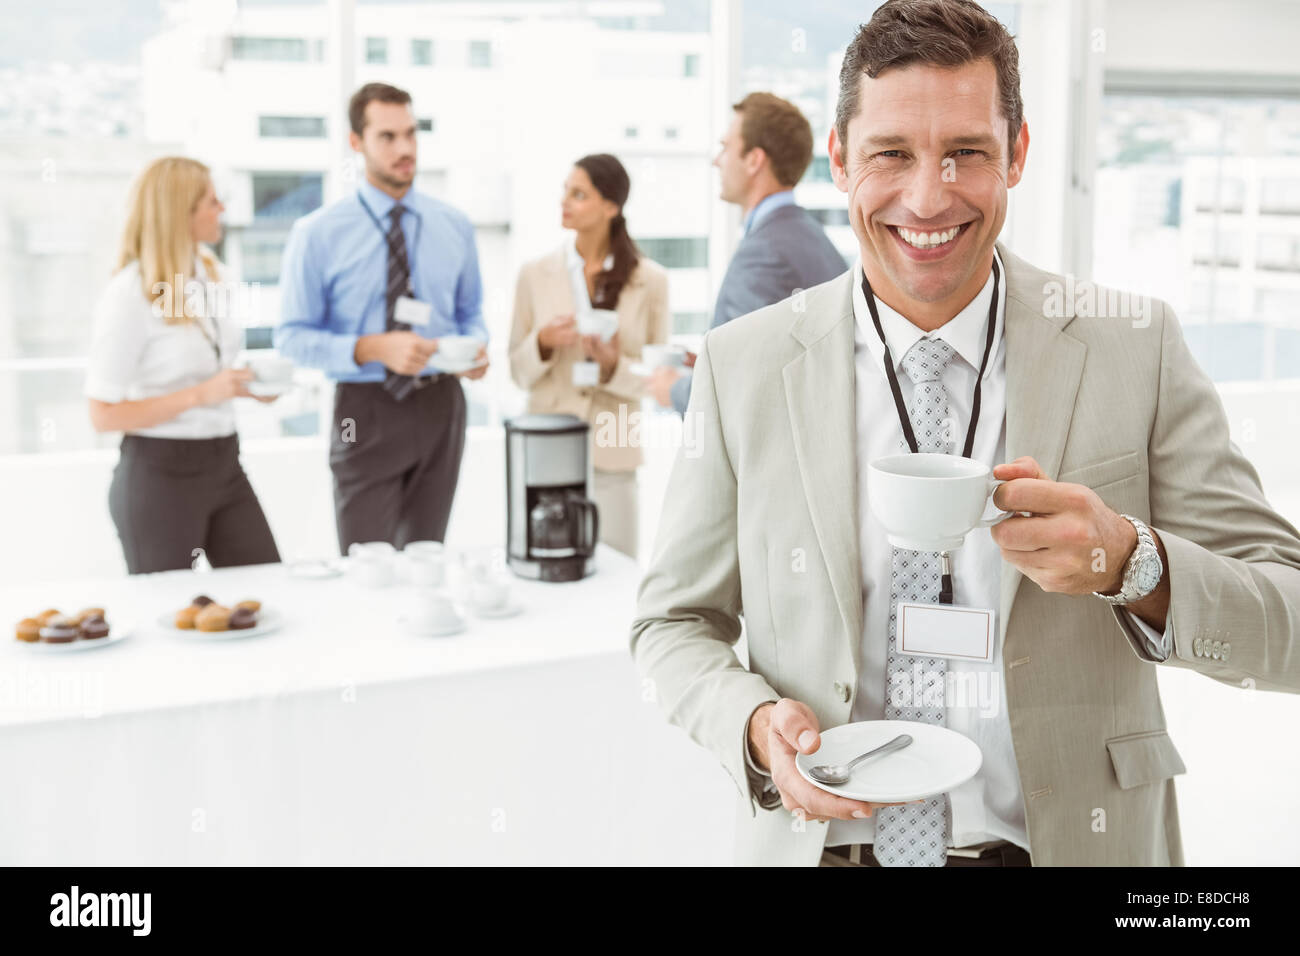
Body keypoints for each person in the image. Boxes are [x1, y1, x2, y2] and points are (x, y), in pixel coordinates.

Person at [631, 0, 1300, 867]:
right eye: (892, 154)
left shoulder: (1138, 347)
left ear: (1017, 155)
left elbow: (1290, 621)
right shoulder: (742, 365)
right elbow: (672, 625)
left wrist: (1134, 563)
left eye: (966, 154)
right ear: (839, 159)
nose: (927, 196)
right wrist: (753, 723)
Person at [277, 82, 489, 554]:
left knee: (426, 557)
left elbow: (471, 313)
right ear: (356, 143)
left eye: (411, 134)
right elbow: (290, 337)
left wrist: (473, 349)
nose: (404, 149)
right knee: (365, 565)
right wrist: (371, 347)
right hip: (364, 407)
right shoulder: (317, 233)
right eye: (387, 137)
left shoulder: (453, 225)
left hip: (442, 404)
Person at [86, 157, 281, 574]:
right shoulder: (129, 294)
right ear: (180, 213)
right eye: (212, 202)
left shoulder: (215, 274)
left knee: (264, 585)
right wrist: (200, 395)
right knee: (167, 614)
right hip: (159, 474)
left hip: (225, 460)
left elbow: (213, 363)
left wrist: (245, 384)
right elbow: (102, 414)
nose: (222, 210)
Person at [509, 153, 669, 559]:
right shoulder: (533, 274)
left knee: (617, 580)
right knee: (548, 569)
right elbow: (516, 371)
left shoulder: (650, 281)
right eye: (565, 192)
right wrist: (543, 342)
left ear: (611, 207)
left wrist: (613, 366)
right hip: (547, 448)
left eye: (578, 194)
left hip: (614, 453)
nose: (565, 202)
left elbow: (658, 378)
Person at [646, 92, 845, 415]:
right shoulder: (810, 235)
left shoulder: (764, 254)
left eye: (725, 147)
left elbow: (741, 387)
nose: (717, 160)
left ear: (754, 160)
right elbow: (773, 359)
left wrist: (674, 389)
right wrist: (713, 360)